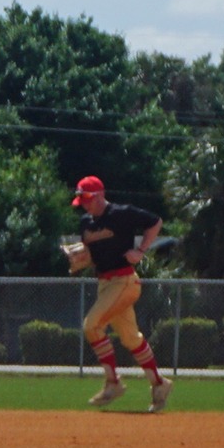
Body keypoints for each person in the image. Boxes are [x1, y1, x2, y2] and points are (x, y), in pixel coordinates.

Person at [69, 176, 172, 412]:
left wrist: (141, 250)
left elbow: (155, 222)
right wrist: (82, 257)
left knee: (91, 326)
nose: (84, 205)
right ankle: (159, 384)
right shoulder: (86, 222)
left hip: (124, 280)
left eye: (87, 200)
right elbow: (93, 250)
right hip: (105, 284)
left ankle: (113, 382)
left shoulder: (120, 213)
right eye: (81, 201)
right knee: (130, 338)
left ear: (100, 195)